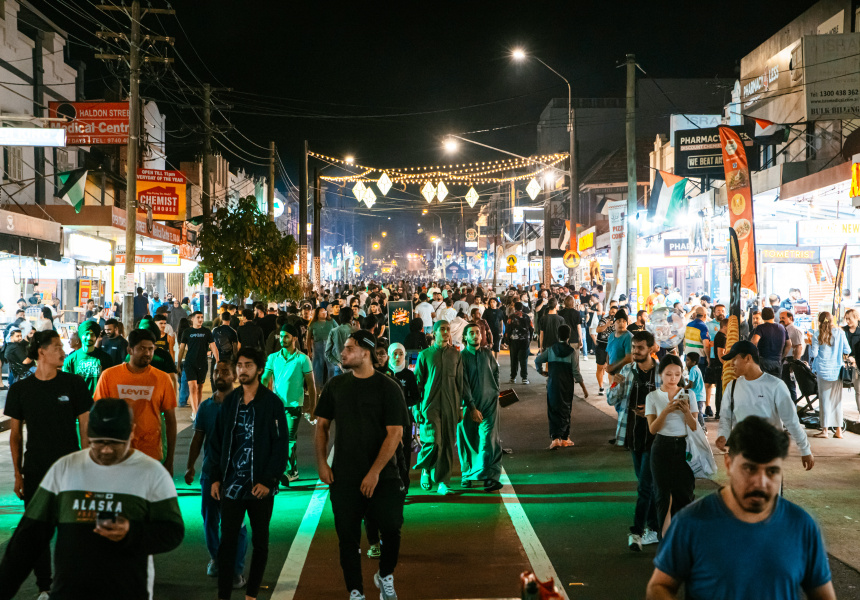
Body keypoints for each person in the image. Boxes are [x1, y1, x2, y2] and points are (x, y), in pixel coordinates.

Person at [0, 398, 184, 600]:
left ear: (131, 432)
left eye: (115, 443)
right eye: (98, 442)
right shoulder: (65, 468)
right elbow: (28, 538)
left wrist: (131, 532)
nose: (106, 450)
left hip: (127, 591)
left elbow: (172, 531)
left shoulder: (151, 472)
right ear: (87, 434)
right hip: (70, 592)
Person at [646, 417, 834, 600]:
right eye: (749, 469)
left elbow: (823, 594)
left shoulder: (802, 526)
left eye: (772, 471)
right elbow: (660, 586)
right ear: (728, 463)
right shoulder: (690, 523)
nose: (761, 483)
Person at [315, 330, 408, 600]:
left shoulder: (389, 387)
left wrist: (374, 472)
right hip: (344, 476)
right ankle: (356, 592)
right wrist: (322, 463)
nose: (342, 353)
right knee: (348, 538)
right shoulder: (336, 386)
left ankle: (385, 575)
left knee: (391, 527)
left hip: (383, 475)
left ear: (365, 353)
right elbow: (322, 425)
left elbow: (396, 433)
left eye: (349, 348)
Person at [6, 330, 93, 599]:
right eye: (56, 346)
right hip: (36, 470)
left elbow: (86, 425)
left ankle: (70, 583)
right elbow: (15, 435)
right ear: (41, 351)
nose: (62, 350)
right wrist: (18, 473)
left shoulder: (74, 383)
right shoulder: (20, 390)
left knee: (72, 528)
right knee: (36, 531)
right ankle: (45, 586)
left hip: (71, 467)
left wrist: (88, 463)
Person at [209, 347, 287, 600]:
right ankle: (223, 595)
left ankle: (251, 594)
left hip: (260, 486)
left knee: (261, 542)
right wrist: (215, 477)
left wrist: (268, 480)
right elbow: (217, 441)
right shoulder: (230, 401)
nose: (242, 370)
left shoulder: (272, 402)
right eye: (239, 365)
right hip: (232, 484)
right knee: (227, 542)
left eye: (248, 365)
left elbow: (281, 445)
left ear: (260, 369)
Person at [185, 359, 248, 589]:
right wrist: (191, 465)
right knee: (210, 519)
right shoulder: (206, 406)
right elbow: (198, 437)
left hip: (237, 475)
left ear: (234, 376)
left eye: (225, 372)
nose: (219, 375)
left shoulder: (244, 404)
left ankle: (236, 570)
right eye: (216, 372)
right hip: (210, 473)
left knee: (236, 524)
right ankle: (216, 558)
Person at [715, 340, 813, 469]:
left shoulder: (775, 386)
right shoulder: (732, 387)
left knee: (769, 487)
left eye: (734, 359)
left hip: (769, 453)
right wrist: (722, 435)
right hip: (741, 454)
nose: (731, 364)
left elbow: (791, 421)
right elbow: (726, 417)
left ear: (748, 358)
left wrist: (805, 449)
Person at [94, 328, 178, 474]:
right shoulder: (109, 376)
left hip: (150, 455)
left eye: (150, 349)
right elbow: (97, 417)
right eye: (141, 348)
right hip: (116, 455)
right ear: (130, 350)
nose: (147, 353)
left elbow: (171, 420)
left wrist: (170, 459)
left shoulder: (162, 379)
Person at [607, 330, 661, 551]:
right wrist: (616, 384)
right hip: (632, 434)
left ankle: (637, 532)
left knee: (644, 486)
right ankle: (656, 527)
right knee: (645, 482)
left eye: (640, 348)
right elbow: (612, 400)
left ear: (651, 348)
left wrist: (651, 411)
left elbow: (677, 397)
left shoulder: (662, 373)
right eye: (634, 348)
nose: (635, 352)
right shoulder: (627, 370)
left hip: (655, 435)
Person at [414, 320, 479, 495]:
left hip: (451, 404)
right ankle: (426, 469)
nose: (445, 332)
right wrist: (416, 408)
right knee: (433, 441)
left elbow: (460, 383)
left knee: (448, 444)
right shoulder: (425, 355)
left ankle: (443, 481)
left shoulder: (456, 355)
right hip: (430, 406)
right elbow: (417, 384)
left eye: (447, 329)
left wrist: (461, 408)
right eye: (441, 329)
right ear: (434, 333)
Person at [646, 354, 699, 537]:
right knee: (662, 496)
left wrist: (686, 412)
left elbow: (694, 426)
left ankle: (683, 538)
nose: (673, 378)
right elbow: (653, 429)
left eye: (677, 374)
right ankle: (665, 539)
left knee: (685, 494)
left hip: (684, 446)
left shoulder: (689, 394)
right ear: (661, 374)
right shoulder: (653, 397)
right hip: (662, 447)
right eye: (668, 374)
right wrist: (666, 411)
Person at [262, 324, 316, 485]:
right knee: (280, 438)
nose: (283, 339)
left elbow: (311, 385)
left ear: (295, 338)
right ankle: (293, 470)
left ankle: (286, 471)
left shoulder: (303, 359)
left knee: (289, 438)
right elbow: (265, 378)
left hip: (294, 406)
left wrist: (313, 408)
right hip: (276, 406)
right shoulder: (272, 358)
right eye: (281, 336)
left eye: (286, 336)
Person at [457, 323, 503, 492]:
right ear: (465, 337)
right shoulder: (461, 357)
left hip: (490, 403)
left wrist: (495, 390)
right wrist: (471, 406)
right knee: (467, 439)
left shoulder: (488, 354)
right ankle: (467, 474)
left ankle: (490, 476)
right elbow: (463, 383)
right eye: (471, 333)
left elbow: (496, 372)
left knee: (489, 439)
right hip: (468, 405)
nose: (475, 336)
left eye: (478, 333)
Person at [535, 324, 588, 450]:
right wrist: (584, 388)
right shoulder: (572, 352)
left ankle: (555, 439)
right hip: (567, 385)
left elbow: (538, 360)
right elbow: (576, 372)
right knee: (566, 409)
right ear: (569, 336)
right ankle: (565, 438)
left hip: (553, 383)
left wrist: (541, 371)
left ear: (558, 336)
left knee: (553, 409)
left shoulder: (551, 349)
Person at [383, 342, 421, 492]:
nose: (397, 357)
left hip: (404, 419)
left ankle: (404, 484)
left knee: (403, 452)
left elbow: (416, 396)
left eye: (400, 354)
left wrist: (403, 403)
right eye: (394, 354)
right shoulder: (384, 373)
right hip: (385, 420)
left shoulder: (408, 375)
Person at [809, 311, 849, 439]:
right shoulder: (840, 333)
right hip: (837, 370)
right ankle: (838, 430)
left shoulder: (817, 334)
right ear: (832, 320)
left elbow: (814, 354)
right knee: (837, 400)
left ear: (820, 321)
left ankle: (825, 430)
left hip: (822, 370)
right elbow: (847, 350)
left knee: (824, 400)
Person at [177, 311, 219, 417]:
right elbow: (181, 349)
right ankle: (195, 412)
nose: (200, 319)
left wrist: (218, 362)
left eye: (202, 317)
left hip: (202, 363)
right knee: (192, 387)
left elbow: (213, 347)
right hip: (189, 362)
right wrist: (178, 364)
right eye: (198, 317)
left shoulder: (207, 332)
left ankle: (198, 409)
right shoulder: (187, 332)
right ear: (192, 319)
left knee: (200, 387)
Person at [63, 321, 113, 397]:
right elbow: (66, 385)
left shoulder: (106, 358)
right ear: (81, 336)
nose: (89, 338)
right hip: (78, 404)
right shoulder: (70, 359)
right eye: (86, 334)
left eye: (92, 335)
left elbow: (110, 383)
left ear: (96, 337)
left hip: (98, 404)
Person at [750, 306, 790, 378]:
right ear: (773, 316)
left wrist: (755, 357)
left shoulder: (761, 328)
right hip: (777, 361)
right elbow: (789, 344)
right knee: (775, 385)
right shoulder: (782, 328)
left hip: (764, 361)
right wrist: (782, 356)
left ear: (762, 317)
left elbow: (753, 342)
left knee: (764, 385)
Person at [780, 310, 805, 405]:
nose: (781, 320)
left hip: (789, 363)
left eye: (783, 318)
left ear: (790, 318)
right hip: (783, 362)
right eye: (780, 318)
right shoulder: (783, 329)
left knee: (790, 388)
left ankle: (793, 410)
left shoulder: (795, 330)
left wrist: (794, 364)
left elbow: (799, 347)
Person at [307, 306, 335, 387]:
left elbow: (338, 331)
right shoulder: (312, 324)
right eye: (322, 311)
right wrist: (309, 351)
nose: (324, 313)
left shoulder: (331, 322)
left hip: (330, 347)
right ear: (317, 314)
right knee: (317, 368)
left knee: (332, 368)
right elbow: (308, 338)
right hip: (317, 348)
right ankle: (318, 388)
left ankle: (330, 385)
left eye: (325, 311)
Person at [325, 309, 358, 376]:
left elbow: (327, 353)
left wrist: (338, 363)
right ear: (351, 317)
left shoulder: (334, 331)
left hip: (339, 368)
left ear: (340, 317)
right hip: (354, 368)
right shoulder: (356, 330)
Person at [506, 302, 532, 384]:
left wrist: (507, 340)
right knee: (523, 359)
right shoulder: (527, 317)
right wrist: (529, 339)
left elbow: (508, 329)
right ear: (522, 307)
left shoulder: (511, 317)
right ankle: (524, 378)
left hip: (514, 341)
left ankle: (513, 377)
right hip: (524, 341)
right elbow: (531, 328)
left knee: (514, 359)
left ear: (515, 308)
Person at [595, 304, 618, 395]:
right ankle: (601, 387)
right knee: (600, 367)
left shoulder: (618, 322)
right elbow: (597, 330)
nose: (613, 314)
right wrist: (607, 325)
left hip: (612, 347)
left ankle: (611, 388)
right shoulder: (604, 320)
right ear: (609, 311)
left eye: (615, 313)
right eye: (612, 312)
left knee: (610, 368)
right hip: (601, 346)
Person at [708, 318, 728, 420]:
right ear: (725, 326)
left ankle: (719, 412)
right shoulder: (721, 337)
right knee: (720, 389)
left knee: (720, 389)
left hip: (718, 366)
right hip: (720, 367)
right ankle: (719, 412)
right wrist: (726, 365)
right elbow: (721, 355)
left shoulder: (720, 336)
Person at [606, 309, 633, 375]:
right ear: (614, 323)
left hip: (625, 373)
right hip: (613, 372)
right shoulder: (611, 335)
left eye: (624, 321)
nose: (621, 323)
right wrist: (608, 366)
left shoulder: (629, 337)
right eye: (618, 321)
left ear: (627, 324)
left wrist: (613, 367)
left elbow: (629, 358)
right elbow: (608, 352)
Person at [684, 352, 706, 430]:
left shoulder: (693, 370)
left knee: (698, 412)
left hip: (697, 395)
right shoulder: (696, 368)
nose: (686, 362)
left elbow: (690, 385)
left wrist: (682, 389)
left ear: (694, 362)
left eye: (688, 360)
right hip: (700, 394)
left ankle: (702, 428)